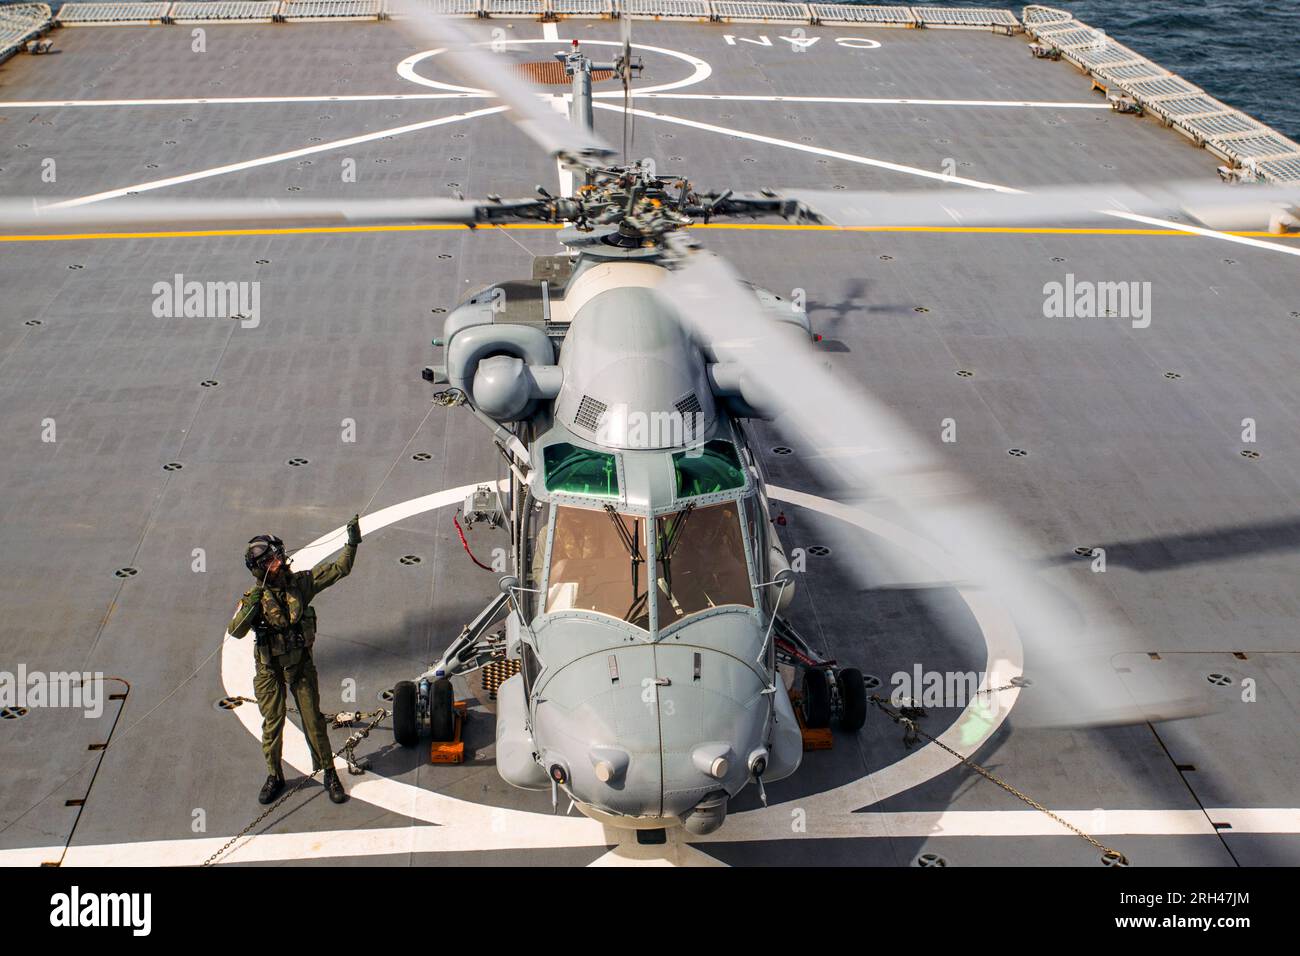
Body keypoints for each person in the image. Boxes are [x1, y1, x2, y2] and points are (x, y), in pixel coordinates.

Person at [227, 516, 362, 805]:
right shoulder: (254, 597)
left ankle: (328, 771)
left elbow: (340, 569)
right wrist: (251, 606)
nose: (277, 563)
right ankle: (274, 775)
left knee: (313, 720)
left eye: (277, 557)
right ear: (259, 569)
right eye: (270, 561)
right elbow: (235, 631)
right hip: (270, 669)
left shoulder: (301, 584)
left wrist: (352, 543)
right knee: (272, 722)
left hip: (300, 663)